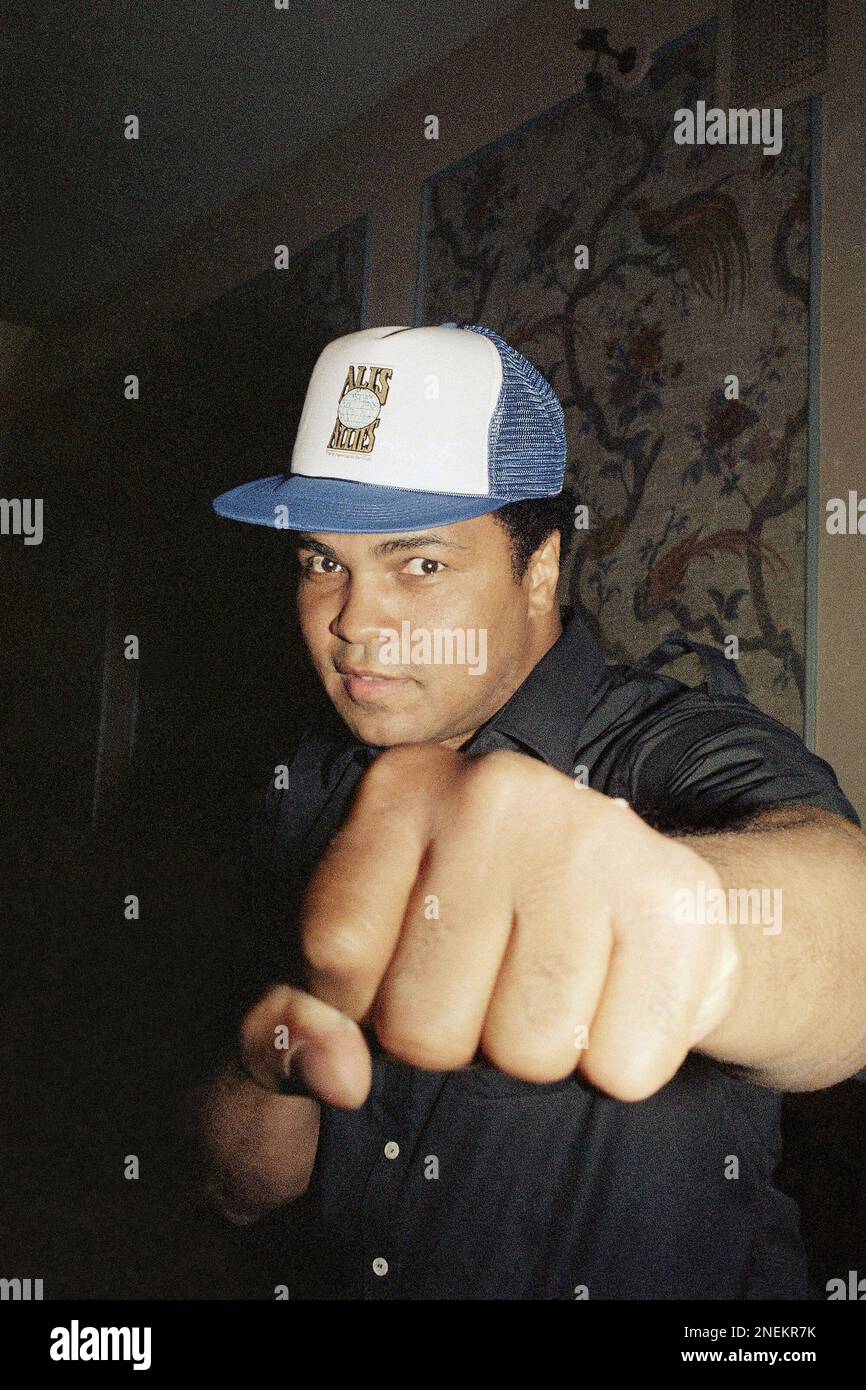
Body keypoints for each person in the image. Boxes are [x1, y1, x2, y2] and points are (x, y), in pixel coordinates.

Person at [194, 322, 866, 1300]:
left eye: (417, 563)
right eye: (320, 560)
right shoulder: (308, 788)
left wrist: (682, 924)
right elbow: (236, 1191)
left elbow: (843, 930)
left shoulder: (669, 749)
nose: (350, 621)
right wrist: (270, 1066)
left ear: (540, 565)